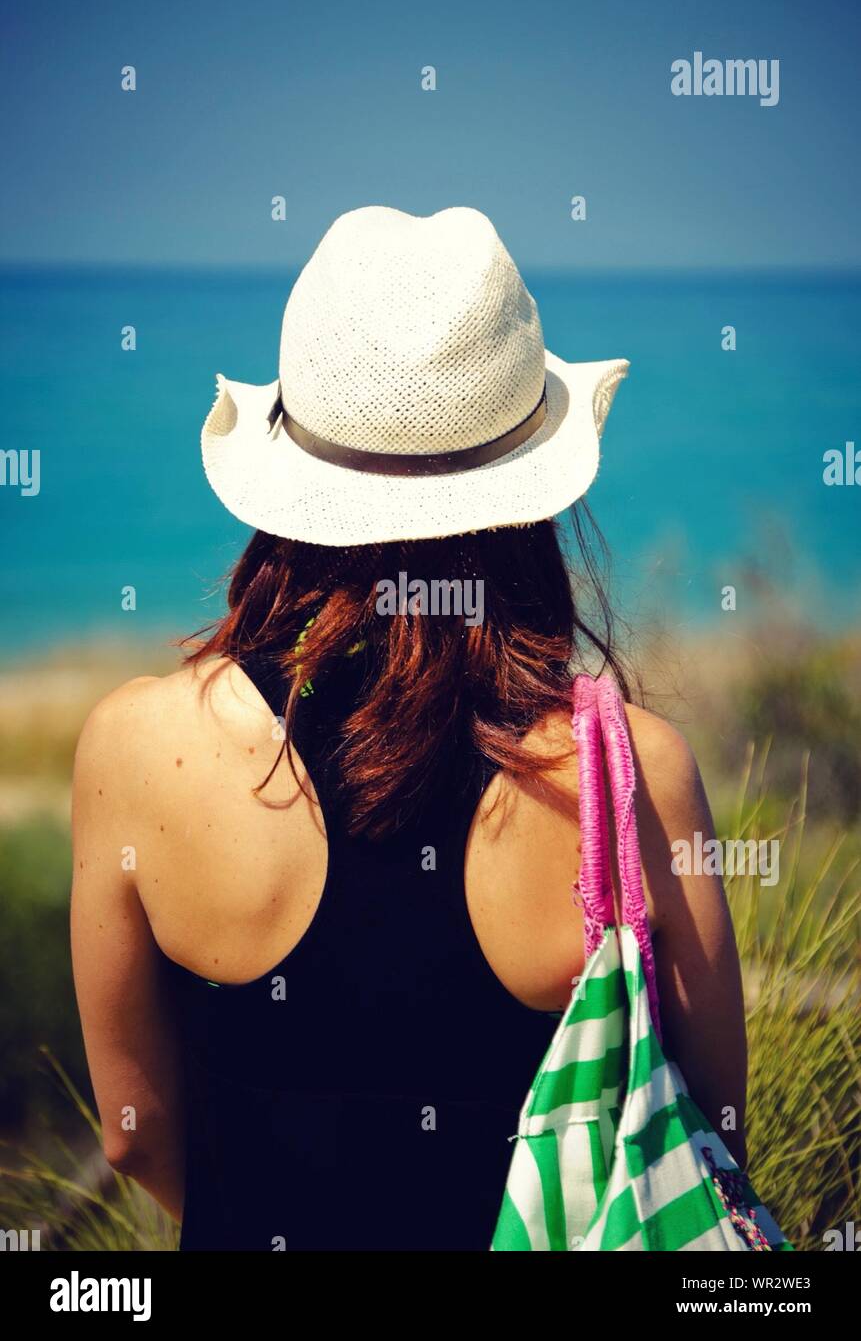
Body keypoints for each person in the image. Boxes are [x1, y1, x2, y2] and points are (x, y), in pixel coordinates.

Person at [71, 206, 747, 1251]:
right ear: (528, 486)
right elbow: (705, 1135)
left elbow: (134, 1133)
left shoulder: (133, 750)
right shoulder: (630, 775)